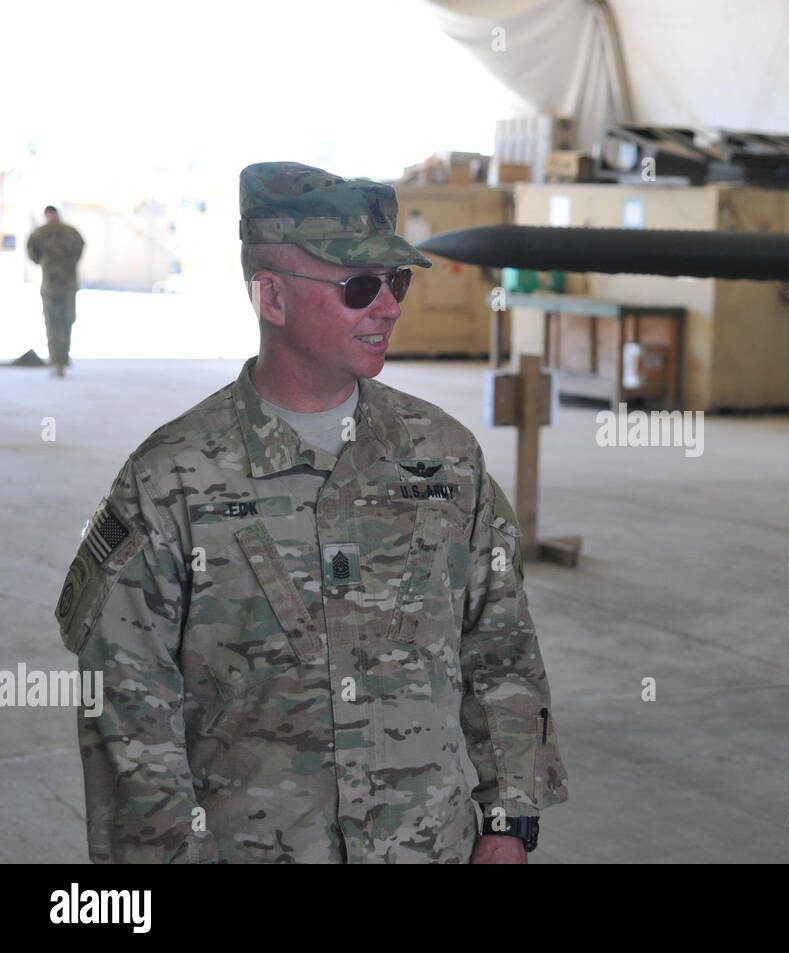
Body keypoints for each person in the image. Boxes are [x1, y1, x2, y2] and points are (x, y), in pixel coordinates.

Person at [54, 162, 567, 863]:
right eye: (360, 286)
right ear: (271, 297)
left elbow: (501, 644)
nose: (387, 306)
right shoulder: (171, 478)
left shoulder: (446, 458)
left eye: (398, 282)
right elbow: (128, 710)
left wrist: (509, 821)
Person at [26, 205, 85, 377]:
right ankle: (64, 357)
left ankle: (56, 361)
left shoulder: (39, 232)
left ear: (46, 215)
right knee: (67, 320)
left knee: (52, 322)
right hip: (69, 284)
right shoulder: (72, 232)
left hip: (50, 285)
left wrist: (45, 261)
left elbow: (32, 255)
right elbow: (80, 250)